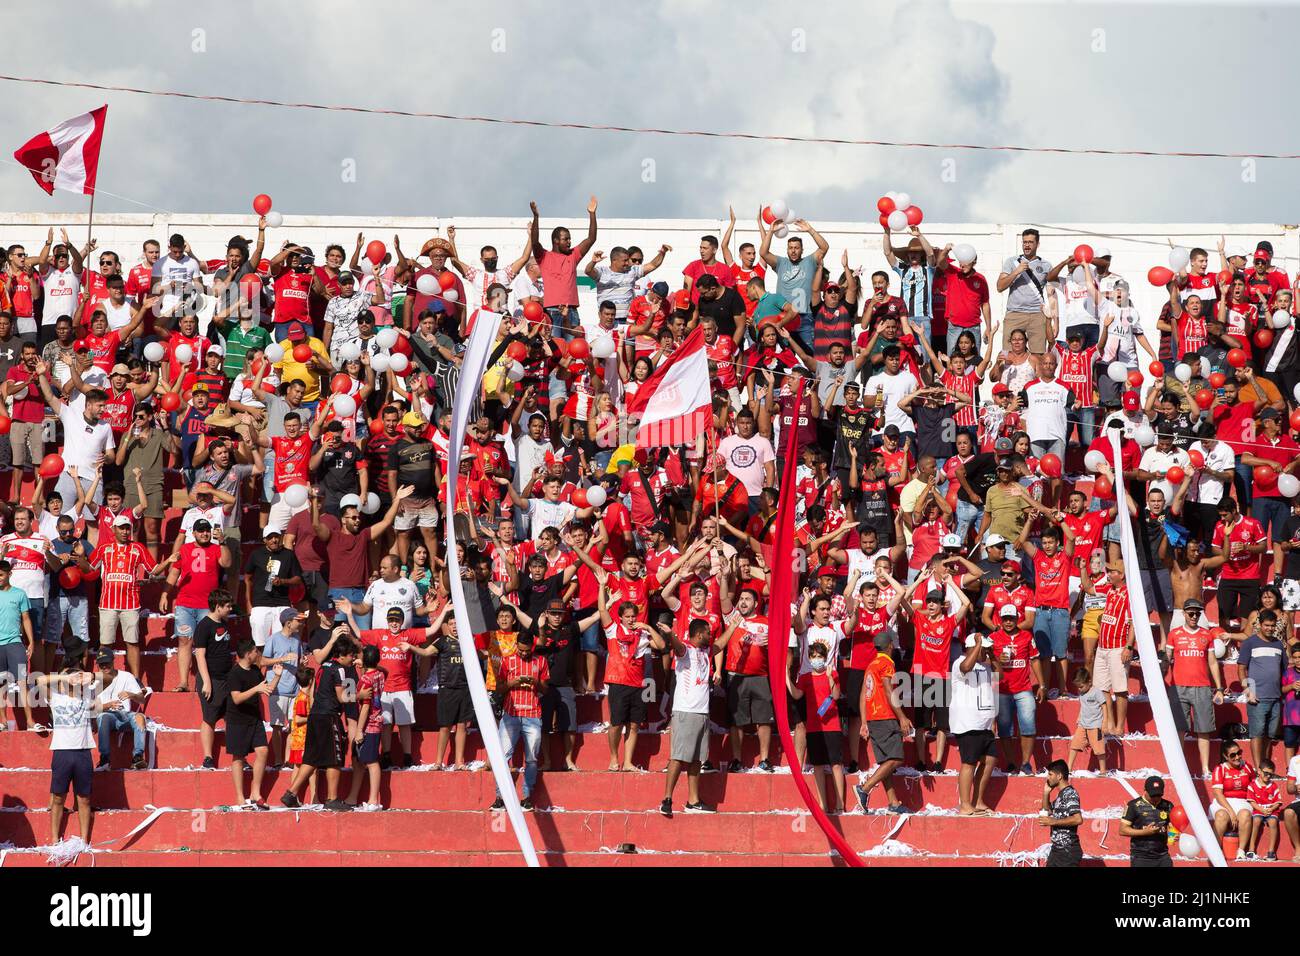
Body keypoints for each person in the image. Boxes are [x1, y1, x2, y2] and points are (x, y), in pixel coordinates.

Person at [281, 628, 357, 811]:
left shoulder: (324, 666)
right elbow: (342, 697)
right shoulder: (340, 670)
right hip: (329, 717)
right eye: (351, 656)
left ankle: (291, 793)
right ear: (342, 655)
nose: (353, 659)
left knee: (312, 758)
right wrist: (357, 694)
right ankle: (332, 798)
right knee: (335, 758)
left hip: (315, 716)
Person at [35, 661, 99, 845]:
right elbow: (39, 679)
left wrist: (90, 676)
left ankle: (84, 841)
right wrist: (64, 676)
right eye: (72, 680)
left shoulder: (87, 697)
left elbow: (109, 678)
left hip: (83, 752)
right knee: (57, 797)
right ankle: (55, 839)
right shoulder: (56, 697)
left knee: (84, 799)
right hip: (62, 752)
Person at [660, 618, 717, 817]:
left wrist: (735, 623)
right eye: (708, 632)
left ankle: (693, 800)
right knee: (678, 756)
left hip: (702, 712)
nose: (711, 635)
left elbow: (722, 643)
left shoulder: (705, 652)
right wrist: (670, 633)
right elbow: (677, 646)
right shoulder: (686, 651)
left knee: (696, 759)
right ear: (700, 634)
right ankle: (667, 798)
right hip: (686, 712)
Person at [852, 629, 913, 814]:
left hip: (872, 718)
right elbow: (888, 691)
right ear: (890, 646)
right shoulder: (887, 663)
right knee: (895, 758)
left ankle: (893, 802)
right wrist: (902, 716)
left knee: (886, 761)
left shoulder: (871, 665)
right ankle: (865, 788)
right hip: (885, 716)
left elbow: (863, 695)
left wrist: (864, 722)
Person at [490, 631, 550, 813]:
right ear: (516, 645)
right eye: (521, 650)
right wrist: (512, 683)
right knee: (503, 757)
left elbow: (546, 689)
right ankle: (500, 797)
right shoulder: (507, 661)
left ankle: (526, 797)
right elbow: (498, 688)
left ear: (532, 646)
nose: (524, 654)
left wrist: (536, 682)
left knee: (531, 758)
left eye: (527, 651)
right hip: (511, 714)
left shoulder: (540, 661)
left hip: (532, 715)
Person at [786, 641, 845, 814]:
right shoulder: (805, 677)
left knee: (835, 764)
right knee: (818, 766)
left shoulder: (833, 673)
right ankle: (822, 804)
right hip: (813, 727)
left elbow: (835, 695)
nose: (817, 659)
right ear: (809, 658)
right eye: (814, 657)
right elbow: (797, 695)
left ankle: (840, 804)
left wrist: (829, 678)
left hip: (832, 726)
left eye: (820, 657)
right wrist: (786, 676)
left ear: (826, 658)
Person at [951, 633, 1000, 816]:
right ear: (973, 647)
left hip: (985, 722)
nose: (985, 651)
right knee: (969, 762)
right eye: (983, 648)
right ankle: (965, 805)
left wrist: (992, 655)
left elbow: (999, 675)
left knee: (990, 759)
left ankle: (978, 800)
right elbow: (965, 667)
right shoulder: (960, 662)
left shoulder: (985, 666)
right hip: (967, 722)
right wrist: (978, 644)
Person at [226, 639, 278, 809]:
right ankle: (240, 796)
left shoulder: (255, 670)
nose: (258, 655)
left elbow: (266, 689)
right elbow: (236, 698)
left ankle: (255, 793)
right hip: (237, 720)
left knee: (263, 751)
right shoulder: (234, 673)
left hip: (254, 719)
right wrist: (255, 690)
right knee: (239, 757)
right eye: (256, 651)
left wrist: (277, 676)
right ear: (248, 654)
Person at [193, 589, 236, 769]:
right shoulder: (204, 626)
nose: (230, 609)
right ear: (217, 607)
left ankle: (238, 756)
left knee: (232, 717)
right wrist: (207, 682)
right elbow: (200, 655)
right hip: (211, 679)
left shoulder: (225, 623)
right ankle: (208, 757)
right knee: (209, 718)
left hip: (227, 679)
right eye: (227, 606)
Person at [344, 643, 386, 810]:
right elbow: (384, 671)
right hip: (376, 721)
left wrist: (359, 731)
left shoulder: (365, 679)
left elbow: (365, 707)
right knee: (359, 761)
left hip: (369, 725)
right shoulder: (380, 674)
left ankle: (373, 800)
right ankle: (353, 796)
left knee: (371, 762)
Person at [93, 650, 147, 770]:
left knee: (140, 717)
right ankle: (105, 759)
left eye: (107, 663)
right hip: (106, 714)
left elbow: (142, 700)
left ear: (113, 661)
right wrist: (108, 705)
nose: (105, 667)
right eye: (101, 664)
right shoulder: (95, 680)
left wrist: (131, 695)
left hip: (125, 714)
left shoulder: (126, 676)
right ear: (97, 665)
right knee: (103, 717)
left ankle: (138, 757)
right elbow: (92, 708)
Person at [0, 559, 35, 731]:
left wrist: (31, 641)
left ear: (9, 574)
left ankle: (30, 721)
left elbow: (26, 619)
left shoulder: (19, 594)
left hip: (15, 643)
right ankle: (3, 722)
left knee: (23, 682)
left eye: (1, 575)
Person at [1120, 775, 1174, 867]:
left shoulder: (1168, 805)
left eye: (1159, 795)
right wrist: (1145, 832)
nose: (1156, 798)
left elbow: (1172, 826)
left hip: (1163, 856)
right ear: (1145, 791)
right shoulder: (1133, 805)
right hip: (1141, 857)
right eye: (1153, 795)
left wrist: (1173, 836)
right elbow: (1122, 830)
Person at [1039, 759, 1084, 866]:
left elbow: (1078, 819)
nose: (1048, 777)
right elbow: (1047, 811)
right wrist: (1046, 793)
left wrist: (1053, 822)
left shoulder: (1070, 793)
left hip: (1067, 851)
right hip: (1057, 850)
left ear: (1059, 776)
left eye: (1050, 774)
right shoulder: (1061, 795)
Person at [1069, 668, 1108, 775]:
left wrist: (1105, 722)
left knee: (1099, 749)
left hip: (1095, 725)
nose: (1079, 689)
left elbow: (1104, 706)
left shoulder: (1096, 692)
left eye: (1081, 686)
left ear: (1089, 682)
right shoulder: (1081, 693)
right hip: (1083, 724)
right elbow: (1083, 706)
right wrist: (1079, 717)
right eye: (1077, 687)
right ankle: (1068, 768)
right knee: (1075, 744)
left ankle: (1103, 770)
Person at [1246, 758, 1282, 861]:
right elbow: (1252, 802)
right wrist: (1262, 810)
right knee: (1256, 820)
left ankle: (1271, 852)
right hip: (1258, 810)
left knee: (1273, 822)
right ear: (1259, 771)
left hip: (1271, 810)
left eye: (1271, 774)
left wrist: (1271, 809)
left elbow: (1278, 802)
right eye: (1266, 773)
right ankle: (1251, 850)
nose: (1268, 776)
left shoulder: (1273, 786)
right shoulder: (1252, 785)